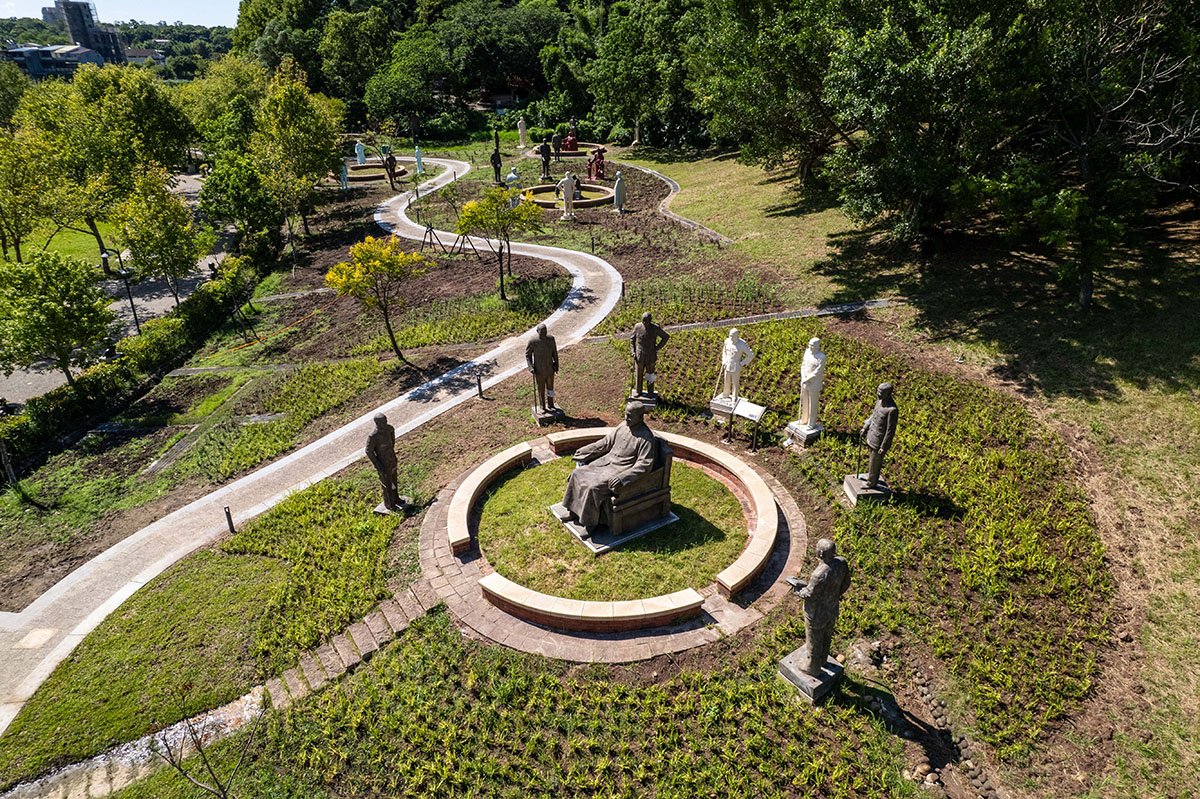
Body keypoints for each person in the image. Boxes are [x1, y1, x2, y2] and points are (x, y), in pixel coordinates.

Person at [562, 402, 658, 536]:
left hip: (619, 469)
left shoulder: (646, 438)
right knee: (577, 474)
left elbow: (644, 464)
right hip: (606, 461)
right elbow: (606, 443)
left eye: (630, 416)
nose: (626, 418)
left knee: (593, 487)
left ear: (640, 416)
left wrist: (622, 478)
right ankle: (573, 511)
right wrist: (586, 450)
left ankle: (590, 523)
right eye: (625, 414)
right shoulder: (623, 426)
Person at [796, 539, 851, 676]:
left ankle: (812, 667)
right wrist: (834, 595)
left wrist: (799, 590)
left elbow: (810, 595)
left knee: (814, 639)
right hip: (832, 609)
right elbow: (846, 583)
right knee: (827, 635)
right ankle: (823, 659)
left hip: (816, 614)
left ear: (820, 553)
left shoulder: (818, 575)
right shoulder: (842, 563)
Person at [860, 382, 899, 489]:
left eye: (881, 392)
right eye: (878, 391)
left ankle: (871, 482)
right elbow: (873, 415)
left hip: (879, 441)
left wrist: (884, 446)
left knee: (875, 462)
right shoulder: (879, 402)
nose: (878, 393)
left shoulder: (892, 410)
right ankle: (870, 475)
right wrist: (866, 426)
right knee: (871, 460)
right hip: (871, 435)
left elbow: (890, 431)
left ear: (889, 393)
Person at [365, 413, 403, 511]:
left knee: (394, 479)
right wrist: (377, 465)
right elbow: (369, 451)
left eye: (385, 420)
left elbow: (392, 441)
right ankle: (389, 504)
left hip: (391, 459)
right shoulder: (373, 436)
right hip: (383, 463)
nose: (385, 423)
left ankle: (396, 498)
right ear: (377, 423)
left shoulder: (390, 429)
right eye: (383, 422)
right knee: (387, 484)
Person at [630, 311, 670, 397]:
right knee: (639, 374)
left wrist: (657, 347)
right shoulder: (637, 326)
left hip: (651, 356)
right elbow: (632, 340)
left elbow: (666, 337)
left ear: (650, 320)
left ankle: (650, 392)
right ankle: (638, 391)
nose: (644, 322)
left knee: (650, 375)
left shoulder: (655, 328)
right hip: (639, 355)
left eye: (646, 320)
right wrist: (633, 352)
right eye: (643, 320)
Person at [525, 323, 559, 413]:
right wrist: (530, 367)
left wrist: (556, 364)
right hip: (539, 370)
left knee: (550, 388)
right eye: (541, 332)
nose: (543, 334)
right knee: (541, 388)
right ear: (537, 332)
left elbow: (554, 353)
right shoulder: (533, 341)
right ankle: (542, 406)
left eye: (545, 332)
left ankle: (551, 404)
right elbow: (528, 355)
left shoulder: (551, 339)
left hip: (550, 368)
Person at [718, 328, 754, 402]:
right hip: (727, 364)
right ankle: (725, 394)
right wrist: (724, 361)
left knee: (735, 382)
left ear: (736, 336)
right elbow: (724, 352)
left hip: (736, 366)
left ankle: (734, 396)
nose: (730, 337)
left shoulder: (742, 344)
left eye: (732, 336)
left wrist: (742, 363)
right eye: (730, 335)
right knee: (726, 380)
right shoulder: (727, 341)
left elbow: (751, 355)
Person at [797, 337, 827, 429]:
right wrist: (803, 377)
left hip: (814, 383)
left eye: (812, 345)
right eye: (809, 344)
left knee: (812, 404)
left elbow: (818, 372)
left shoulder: (822, 357)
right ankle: (804, 419)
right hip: (805, 381)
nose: (810, 346)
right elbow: (803, 365)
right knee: (805, 400)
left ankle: (811, 423)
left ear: (818, 346)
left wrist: (808, 378)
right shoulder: (807, 352)